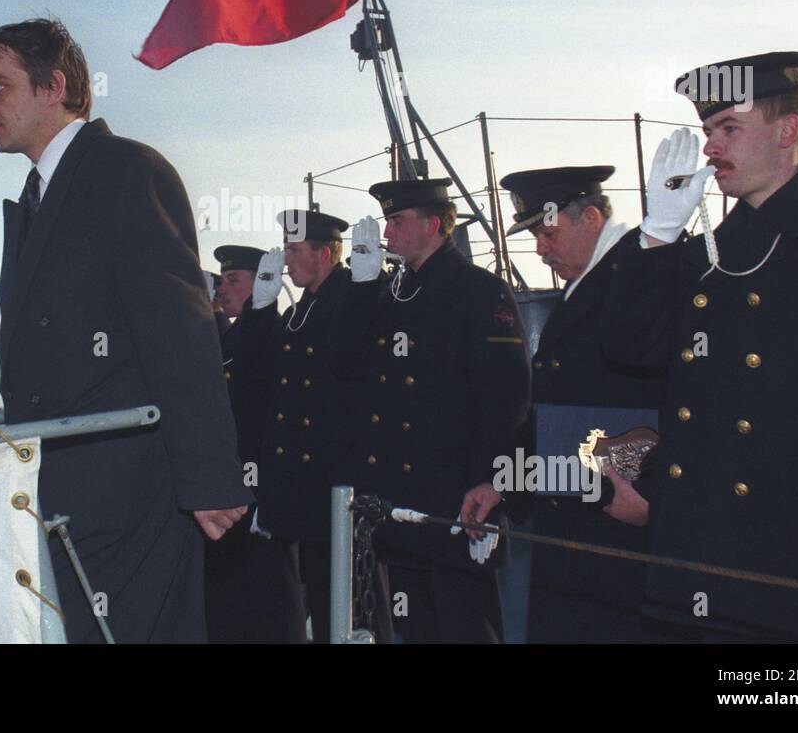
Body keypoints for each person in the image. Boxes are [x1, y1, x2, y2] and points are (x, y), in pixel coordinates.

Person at [602, 51, 798, 643]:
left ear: (788, 130)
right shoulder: (705, 254)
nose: (711, 149)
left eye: (729, 129)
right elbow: (629, 351)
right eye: (708, 132)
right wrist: (659, 235)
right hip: (694, 563)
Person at [0, 17, 250, 643]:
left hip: (128, 494)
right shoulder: (41, 193)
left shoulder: (126, 172)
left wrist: (210, 479)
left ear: (53, 86)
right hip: (63, 488)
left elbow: (179, 333)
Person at [339, 179, 531, 643]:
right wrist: (363, 289)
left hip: (456, 498)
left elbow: (507, 395)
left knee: (465, 627)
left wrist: (493, 481)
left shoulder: (478, 290)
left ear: (433, 225)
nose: (387, 232)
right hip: (401, 498)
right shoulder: (394, 293)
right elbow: (348, 364)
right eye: (387, 221)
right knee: (417, 626)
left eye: (397, 221)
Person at [498, 165, 666, 643]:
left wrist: (656, 498)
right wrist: (503, 482)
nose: (540, 248)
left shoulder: (642, 275)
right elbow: (552, 407)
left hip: (622, 527)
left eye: (547, 234)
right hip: (575, 516)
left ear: (590, 217)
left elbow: (687, 399)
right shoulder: (586, 284)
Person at [236, 209, 372, 641]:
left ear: (326, 253)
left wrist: (367, 290)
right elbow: (256, 374)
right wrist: (260, 308)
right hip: (304, 490)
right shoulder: (302, 310)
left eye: (296, 251)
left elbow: (351, 360)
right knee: (321, 602)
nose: (287, 261)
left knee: (350, 609)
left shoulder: (351, 296)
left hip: (340, 484)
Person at [204, 245, 308, 643]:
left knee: (275, 598)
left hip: (265, 487)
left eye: (233, 280)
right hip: (231, 489)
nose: (222, 289)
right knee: (232, 600)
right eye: (222, 280)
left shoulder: (274, 333)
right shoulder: (230, 336)